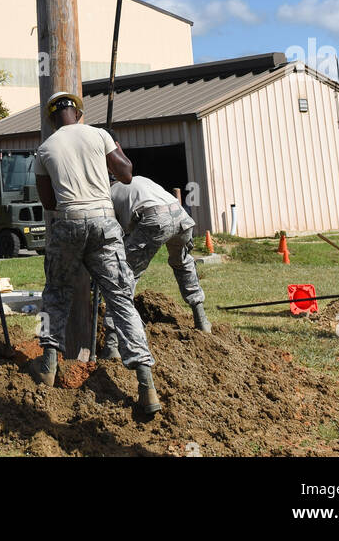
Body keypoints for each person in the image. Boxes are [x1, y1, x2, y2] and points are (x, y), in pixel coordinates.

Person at [30, 91, 161, 418]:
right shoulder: (99, 135)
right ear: (80, 113)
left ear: (51, 119)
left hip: (69, 222)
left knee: (57, 293)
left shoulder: (45, 149)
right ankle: (146, 384)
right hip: (104, 221)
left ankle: (48, 365)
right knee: (120, 298)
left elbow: (48, 203)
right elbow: (126, 174)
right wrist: (109, 148)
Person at [101, 174, 212, 359]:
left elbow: (114, 235)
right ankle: (201, 319)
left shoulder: (108, 194)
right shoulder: (139, 179)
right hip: (181, 217)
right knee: (183, 263)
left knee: (122, 279)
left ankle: (111, 345)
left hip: (154, 219)